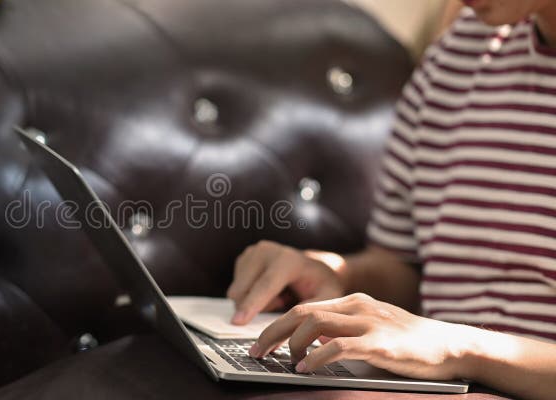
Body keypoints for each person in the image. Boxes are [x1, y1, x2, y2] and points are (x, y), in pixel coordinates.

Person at [227, 1, 556, 399]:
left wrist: (461, 348)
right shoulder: (458, 54)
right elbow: (404, 264)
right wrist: (335, 276)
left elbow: (449, 344)